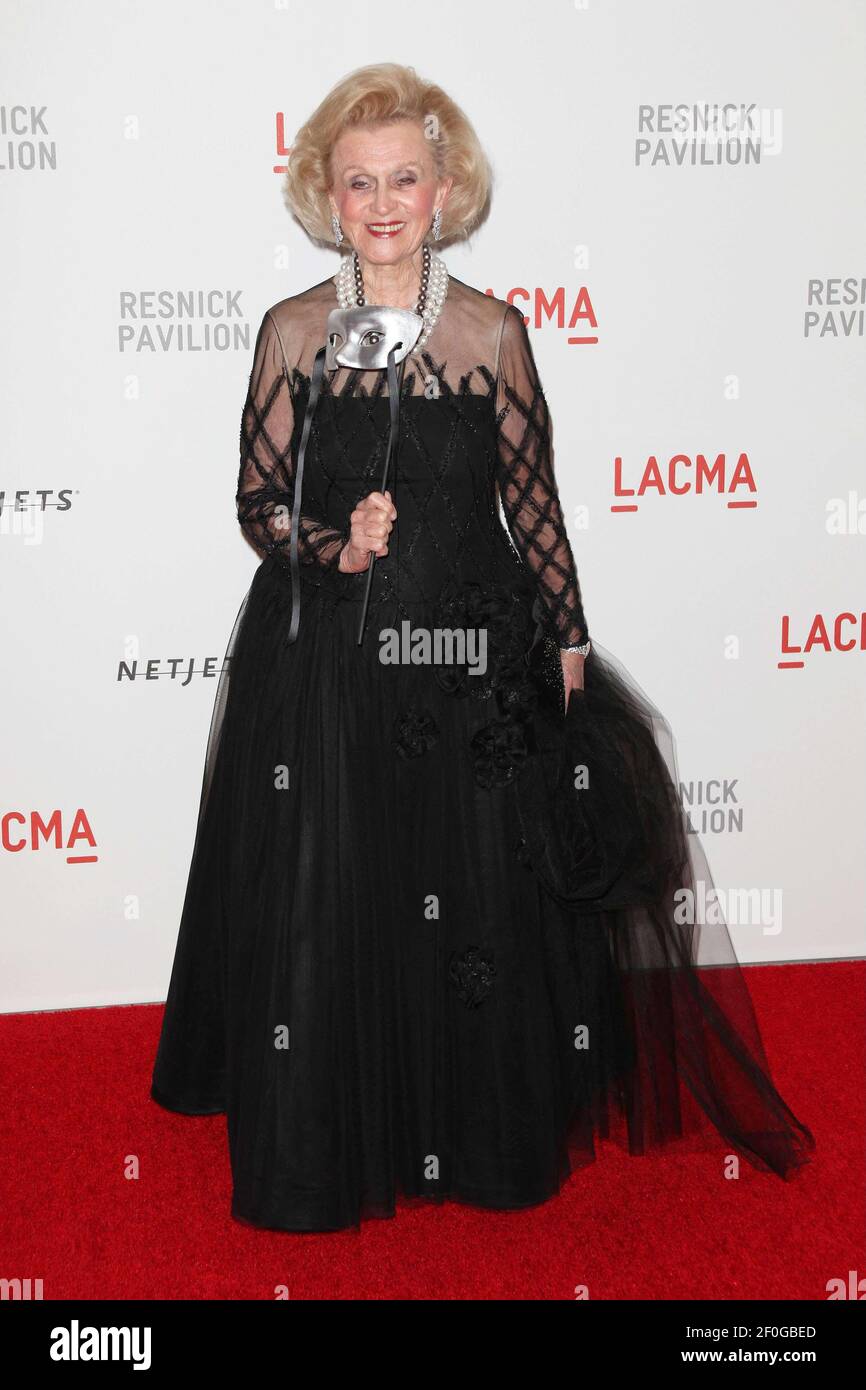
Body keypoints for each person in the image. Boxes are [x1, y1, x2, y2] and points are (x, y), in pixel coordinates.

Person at [150, 62, 815, 1232]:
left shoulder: (491, 332)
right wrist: (332, 546)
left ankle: (477, 1130)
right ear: (324, 194)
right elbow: (255, 501)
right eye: (357, 182)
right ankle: (324, 1143)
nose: (383, 201)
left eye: (405, 176)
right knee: (338, 889)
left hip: (467, 652)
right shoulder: (296, 332)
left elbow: (533, 501)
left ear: (445, 187)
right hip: (331, 664)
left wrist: (563, 635)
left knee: (472, 903)